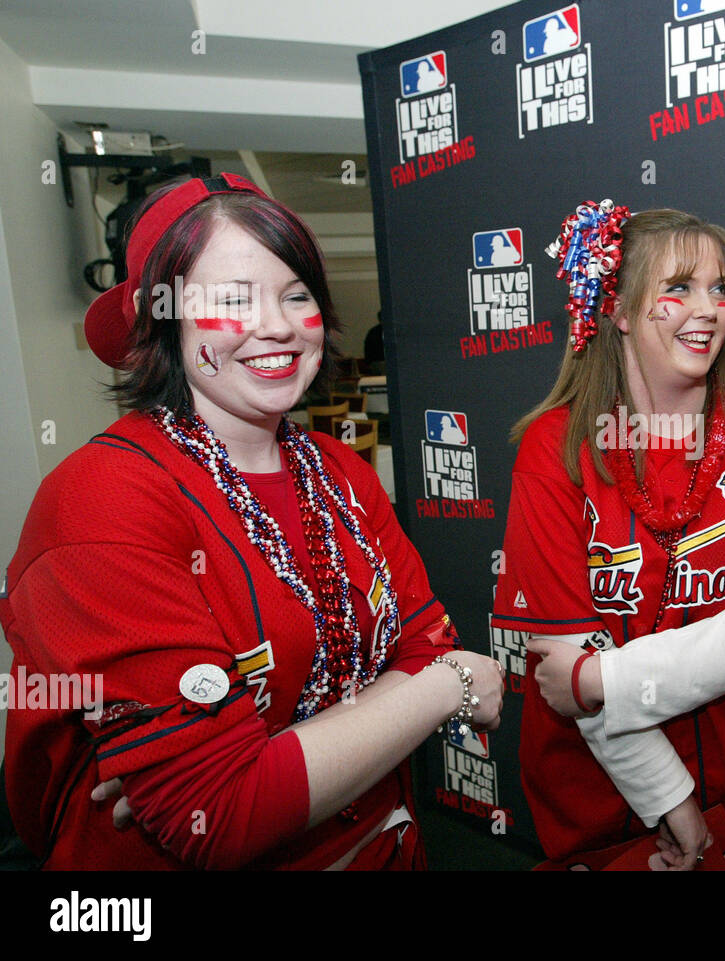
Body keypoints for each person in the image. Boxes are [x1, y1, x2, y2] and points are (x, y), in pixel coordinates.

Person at [0, 174, 503, 870]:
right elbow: (224, 812)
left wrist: (279, 755)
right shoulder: (100, 499)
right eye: (232, 300)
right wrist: (448, 686)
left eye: (296, 294)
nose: (276, 325)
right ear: (164, 322)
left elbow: (420, 640)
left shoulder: (338, 467)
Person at [491, 203, 725, 870]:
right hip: (601, 793)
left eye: (720, 288)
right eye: (678, 287)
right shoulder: (554, 449)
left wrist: (600, 676)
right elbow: (563, 664)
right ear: (615, 308)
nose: (709, 309)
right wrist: (670, 798)